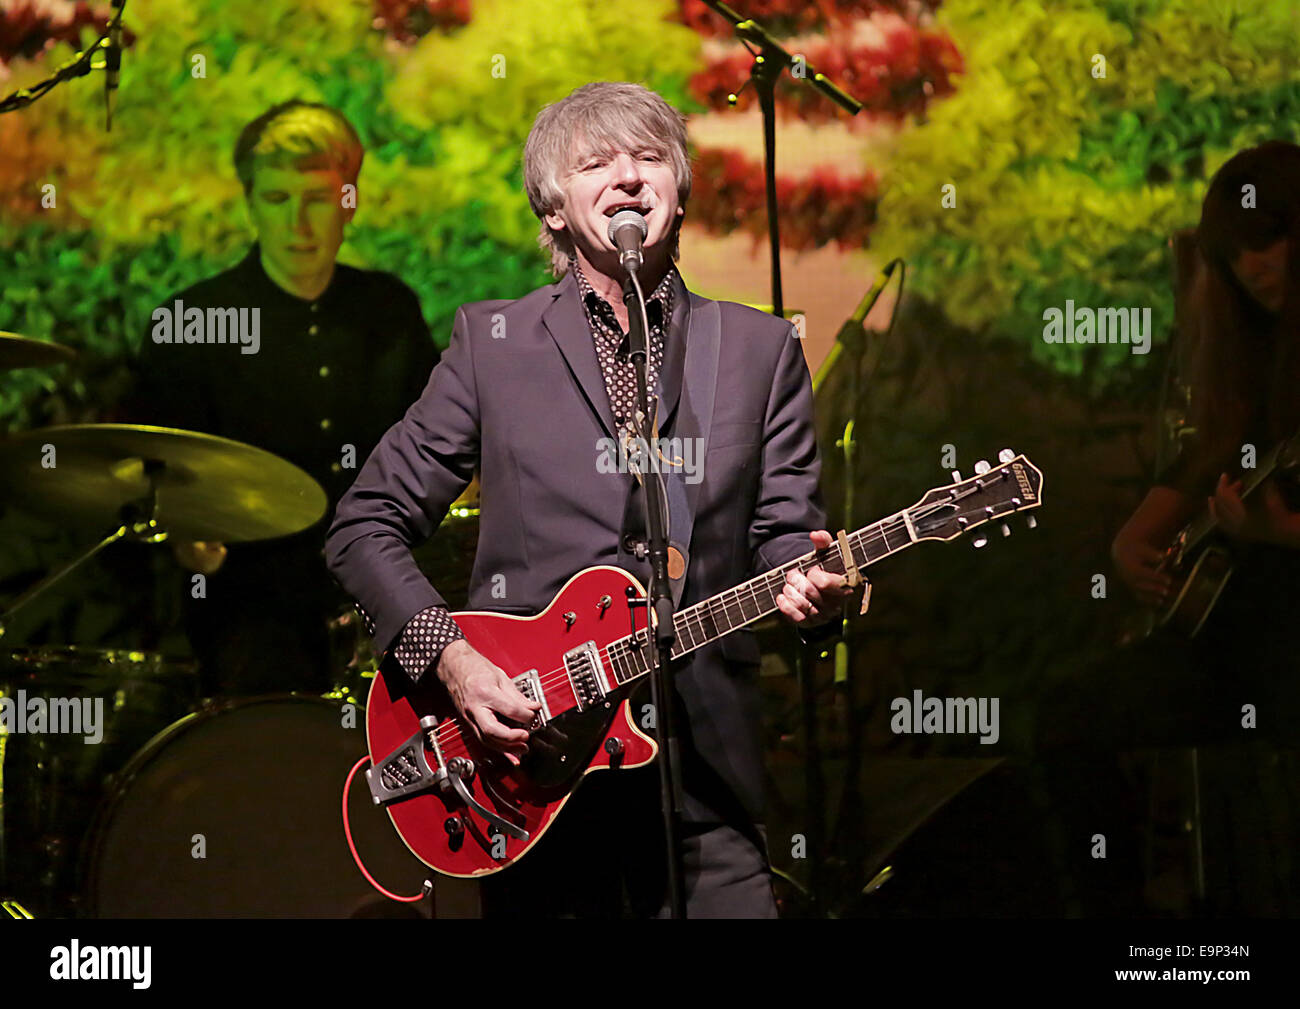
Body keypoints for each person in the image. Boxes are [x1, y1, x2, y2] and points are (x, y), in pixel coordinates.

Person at [325, 81, 853, 917]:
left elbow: (787, 539)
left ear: (678, 197)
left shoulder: (758, 349)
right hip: (531, 773)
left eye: (650, 158)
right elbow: (363, 524)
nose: (629, 177)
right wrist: (455, 664)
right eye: (596, 162)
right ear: (555, 206)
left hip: (704, 776)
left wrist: (819, 588)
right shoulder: (491, 346)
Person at [1037, 142, 1300, 916]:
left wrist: (1281, 536)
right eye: (1234, 254)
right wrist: (1131, 542)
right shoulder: (1255, 354)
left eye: (1268, 240)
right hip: (1239, 636)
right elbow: (1207, 452)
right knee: (1066, 717)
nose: (1252, 267)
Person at [129, 100, 440, 696]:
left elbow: (436, 448)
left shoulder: (389, 310)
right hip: (250, 607)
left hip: (387, 590)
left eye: (318, 199)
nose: (298, 222)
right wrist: (185, 539)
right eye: (276, 199)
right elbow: (153, 475)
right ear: (250, 204)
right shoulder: (192, 320)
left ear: (348, 203)